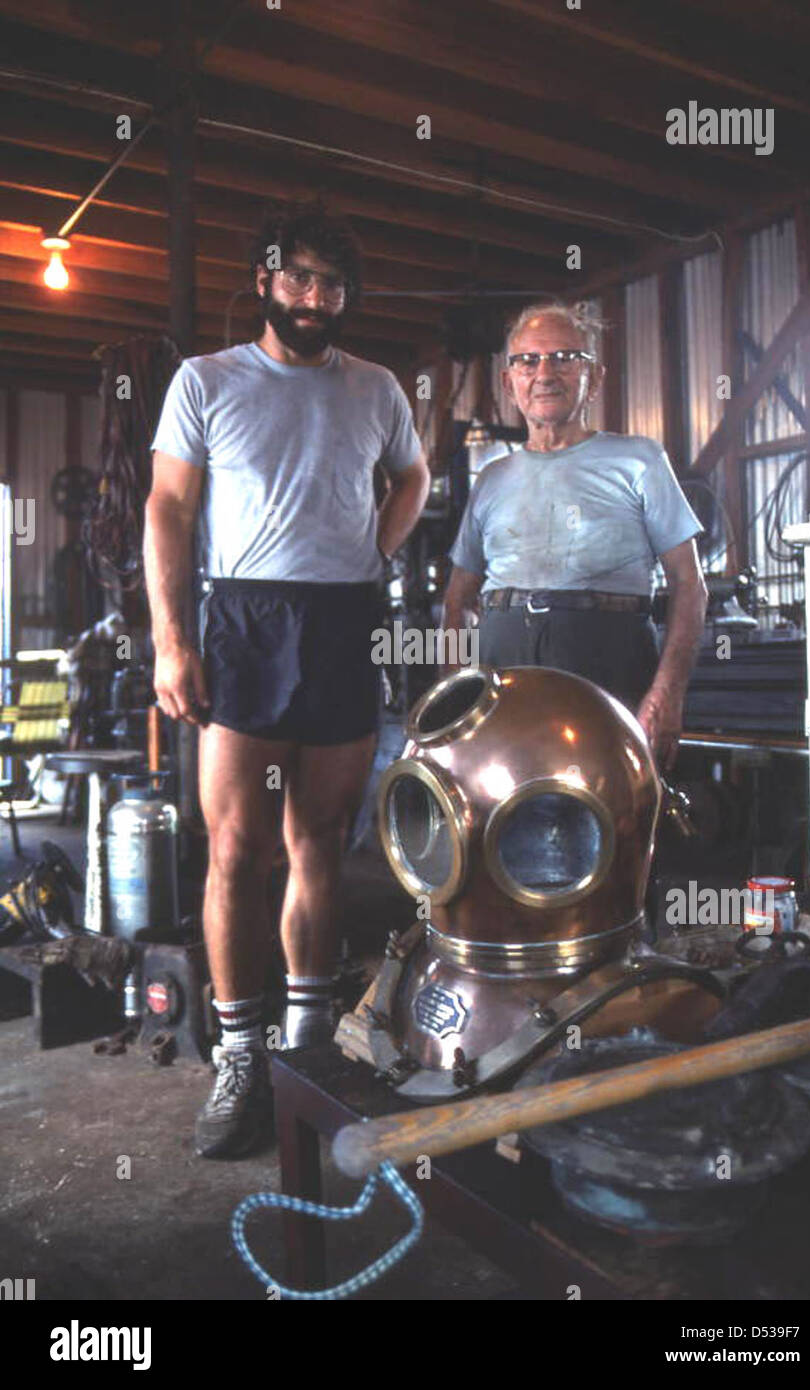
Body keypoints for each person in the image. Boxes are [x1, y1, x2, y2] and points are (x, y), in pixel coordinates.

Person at [144, 202, 430, 1158]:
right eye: (300, 279)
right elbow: (169, 510)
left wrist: (374, 551)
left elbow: (413, 478)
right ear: (267, 279)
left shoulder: (378, 387)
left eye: (333, 286)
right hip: (244, 621)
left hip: (345, 619)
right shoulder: (206, 380)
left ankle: (305, 1052)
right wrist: (171, 641)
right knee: (237, 852)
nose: (316, 299)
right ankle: (237, 1058)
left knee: (319, 843)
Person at [442, 300, 707, 771]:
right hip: (504, 667)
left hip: (608, 659)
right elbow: (458, 600)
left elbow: (689, 585)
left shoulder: (639, 460)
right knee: (503, 813)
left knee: (607, 812)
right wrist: (455, 695)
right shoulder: (491, 478)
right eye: (527, 360)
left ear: (595, 377)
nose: (545, 372)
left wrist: (667, 694)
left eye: (565, 357)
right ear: (509, 381)